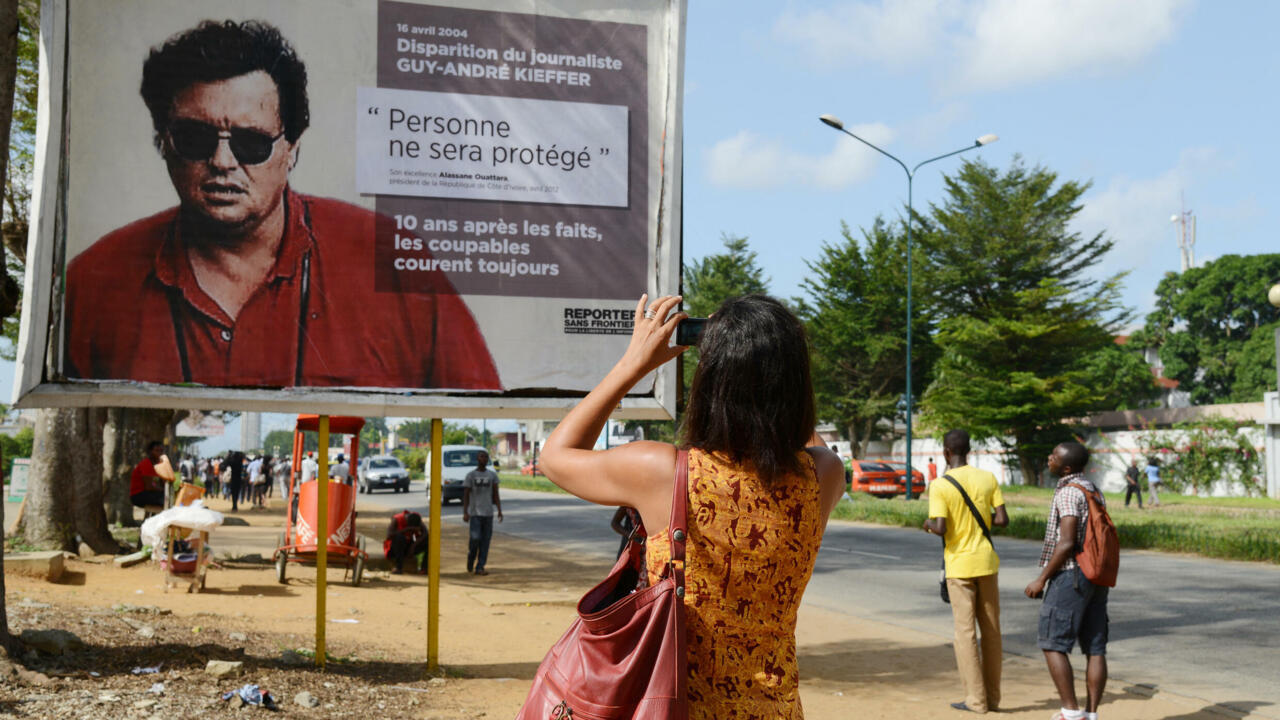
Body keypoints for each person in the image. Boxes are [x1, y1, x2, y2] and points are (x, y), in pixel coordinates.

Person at [62, 19, 500, 391]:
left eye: (251, 143)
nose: (222, 162)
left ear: (292, 149)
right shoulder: (95, 281)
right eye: (195, 138)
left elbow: (478, 409)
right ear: (163, 143)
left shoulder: (390, 257)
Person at [538, 294, 846, 717]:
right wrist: (774, 366)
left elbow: (555, 456)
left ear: (711, 379)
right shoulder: (823, 476)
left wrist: (635, 363)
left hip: (676, 708)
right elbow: (803, 437)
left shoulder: (661, 470)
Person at [924, 430, 1009, 714]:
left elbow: (940, 528)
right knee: (992, 630)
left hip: (959, 566)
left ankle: (976, 700)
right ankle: (994, 699)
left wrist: (926, 523)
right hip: (987, 561)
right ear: (968, 450)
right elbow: (1002, 520)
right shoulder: (988, 478)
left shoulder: (940, 485)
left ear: (947, 452)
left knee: (965, 633)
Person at [1024, 442, 1110, 720]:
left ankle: (1070, 713)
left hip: (1071, 575)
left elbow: (1066, 543)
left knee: (1052, 643)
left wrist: (1041, 579)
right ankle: (1091, 714)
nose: (1049, 458)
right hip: (1096, 575)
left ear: (1067, 467)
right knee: (1095, 648)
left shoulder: (1068, 492)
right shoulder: (1092, 489)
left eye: (1054, 457)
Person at [462, 450, 502, 575]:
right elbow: (466, 494)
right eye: (481, 456)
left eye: (486, 457)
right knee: (475, 539)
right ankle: (471, 558)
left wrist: (500, 510)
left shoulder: (492, 475)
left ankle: (480, 566)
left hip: (488, 513)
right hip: (475, 514)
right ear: (477, 459)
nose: (483, 459)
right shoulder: (471, 476)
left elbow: (495, 493)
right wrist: (465, 512)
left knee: (485, 541)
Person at [384, 510, 428, 575]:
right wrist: (406, 529)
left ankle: (424, 568)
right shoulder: (397, 519)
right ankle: (399, 567)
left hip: (408, 547)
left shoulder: (417, 520)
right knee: (399, 537)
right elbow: (389, 535)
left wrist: (413, 546)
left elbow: (425, 533)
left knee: (429, 541)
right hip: (395, 549)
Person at [130, 441, 168, 511]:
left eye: (161, 451)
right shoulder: (146, 464)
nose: (159, 453)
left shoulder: (158, 465)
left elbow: (161, 483)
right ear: (150, 452)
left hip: (149, 493)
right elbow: (149, 486)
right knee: (167, 499)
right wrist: (163, 490)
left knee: (169, 497)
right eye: (156, 450)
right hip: (139, 495)